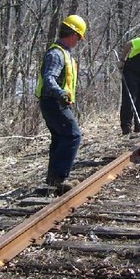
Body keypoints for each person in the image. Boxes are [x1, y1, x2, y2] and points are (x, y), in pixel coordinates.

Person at [35, 14, 87, 194]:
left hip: (53, 102)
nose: (78, 41)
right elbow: (49, 79)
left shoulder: (63, 53)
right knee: (73, 136)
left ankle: (53, 179)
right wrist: (61, 93)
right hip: (54, 102)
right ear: (73, 34)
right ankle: (61, 178)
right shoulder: (57, 54)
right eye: (79, 38)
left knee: (60, 138)